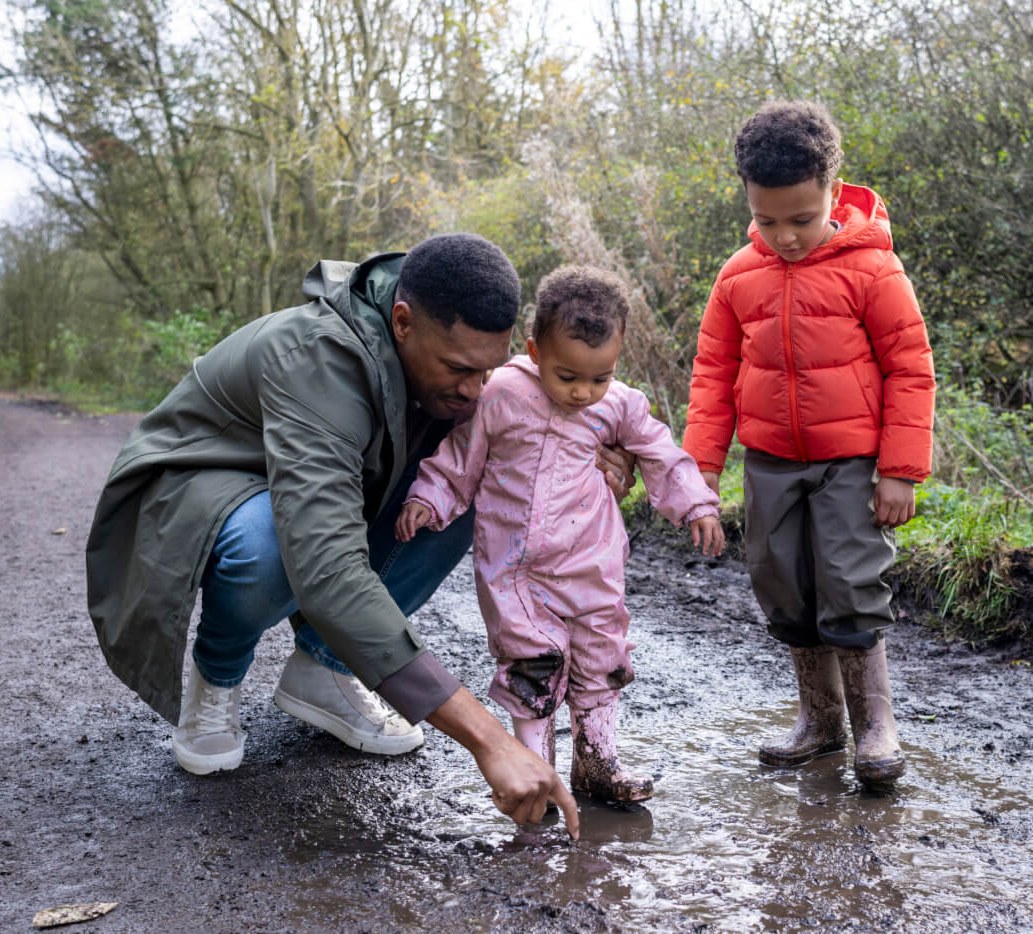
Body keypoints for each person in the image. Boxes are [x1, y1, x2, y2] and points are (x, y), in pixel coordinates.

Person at [86, 234, 636, 837]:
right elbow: (327, 568)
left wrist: (587, 457)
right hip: (209, 487)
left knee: (490, 477)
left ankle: (323, 668)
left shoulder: (449, 359)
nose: (475, 389)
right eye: (459, 369)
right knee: (271, 546)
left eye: (488, 369)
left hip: (327, 488)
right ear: (402, 322)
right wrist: (489, 740)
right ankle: (217, 675)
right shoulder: (317, 358)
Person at [395, 266, 725, 803]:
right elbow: (460, 457)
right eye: (567, 375)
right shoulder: (502, 394)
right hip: (516, 572)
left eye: (600, 377)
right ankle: (535, 773)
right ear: (534, 351)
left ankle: (598, 762)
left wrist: (696, 506)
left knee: (602, 659)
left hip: (593, 565)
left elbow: (660, 453)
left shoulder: (618, 404)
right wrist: (428, 498)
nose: (582, 392)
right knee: (534, 666)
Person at [682, 101, 936, 786]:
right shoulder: (738, 276)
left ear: (833, 189)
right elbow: (713, 373)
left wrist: (900, 470)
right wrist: (700, 468)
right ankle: (820, 721)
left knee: (850, 584)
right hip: (769, 463)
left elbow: (911, 368)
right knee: (780, 582)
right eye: (767, 221)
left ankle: (875, 725)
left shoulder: (874, 270)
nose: (785, 237)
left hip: (850, 463)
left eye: (801, 218)